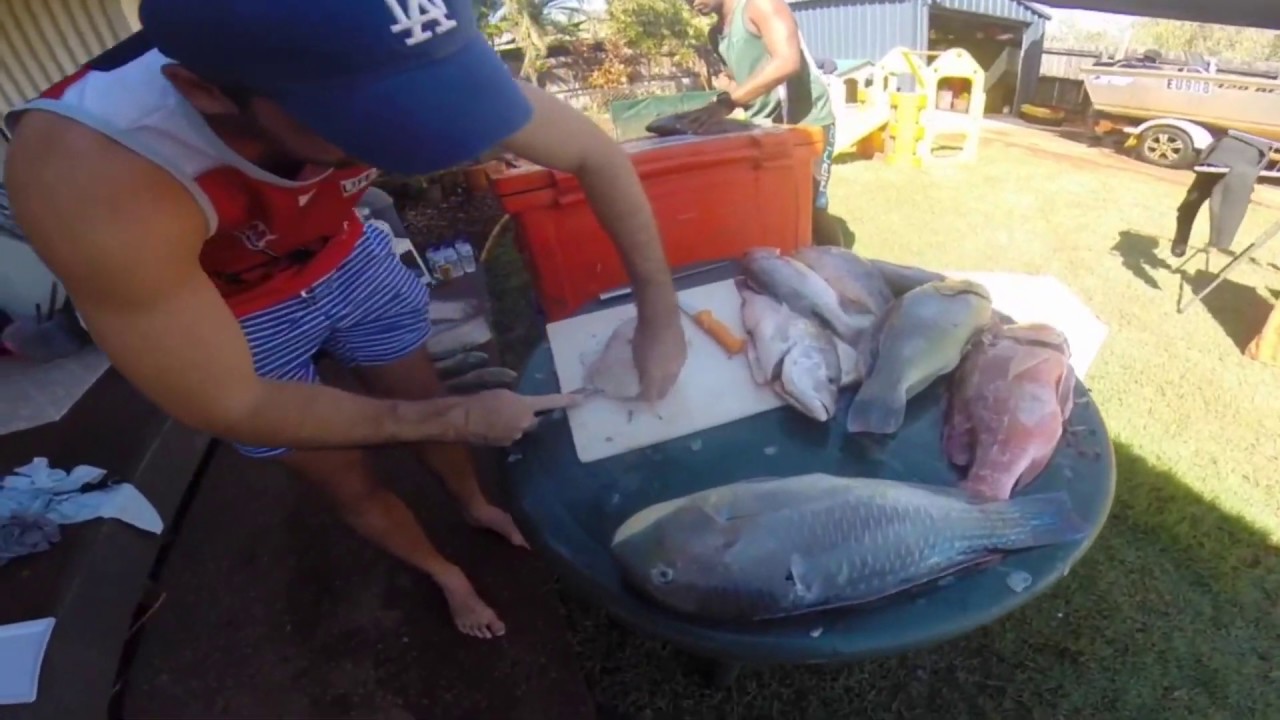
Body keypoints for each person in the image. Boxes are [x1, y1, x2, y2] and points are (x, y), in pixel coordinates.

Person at [1, 0, 688, 640]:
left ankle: (472, 503)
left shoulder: (389, 53)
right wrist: (455, 420)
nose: (414, 132)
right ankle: (440, 570)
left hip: (343, 252)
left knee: (421, 393)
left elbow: (594, 153)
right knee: (342, 469)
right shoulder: (88, 169)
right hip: (227, 308)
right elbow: (232, 401)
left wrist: (660, 314)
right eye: (362, 118)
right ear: (204, 91)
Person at [683, 0, 842, 247]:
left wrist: (728, 102)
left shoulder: (761, 5)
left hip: (807, 125)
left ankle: (841, 266)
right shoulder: (716, 35)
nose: (690, 2)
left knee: (812, 208)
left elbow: (787, 62)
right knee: (775, 207)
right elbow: (745, 82)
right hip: (764, 129)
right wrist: (720, 100)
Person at [1171, 132, 1272, 258]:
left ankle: (1215, 242)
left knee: (1224, 204)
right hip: (1224, 151)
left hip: (1252, 152)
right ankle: (1181, 240)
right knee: (1191, 203)